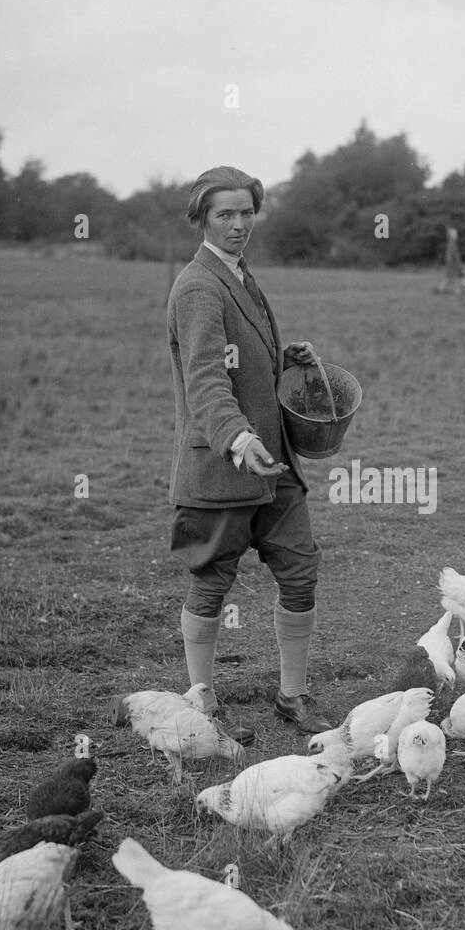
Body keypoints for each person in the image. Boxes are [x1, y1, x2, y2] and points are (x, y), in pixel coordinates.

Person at [165, 165, 332, 739]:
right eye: (224, 215)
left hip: (274, 463)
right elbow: (206, 379)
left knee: (300, 569)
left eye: (246, 213)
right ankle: (202, 698)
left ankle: (291, 695)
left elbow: (244, 361)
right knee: (211, 579)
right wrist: (240, 439)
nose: (239, 225)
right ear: (202, 220)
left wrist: (287, 358)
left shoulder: (240, 275)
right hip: (224, 461)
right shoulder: (197, 286)